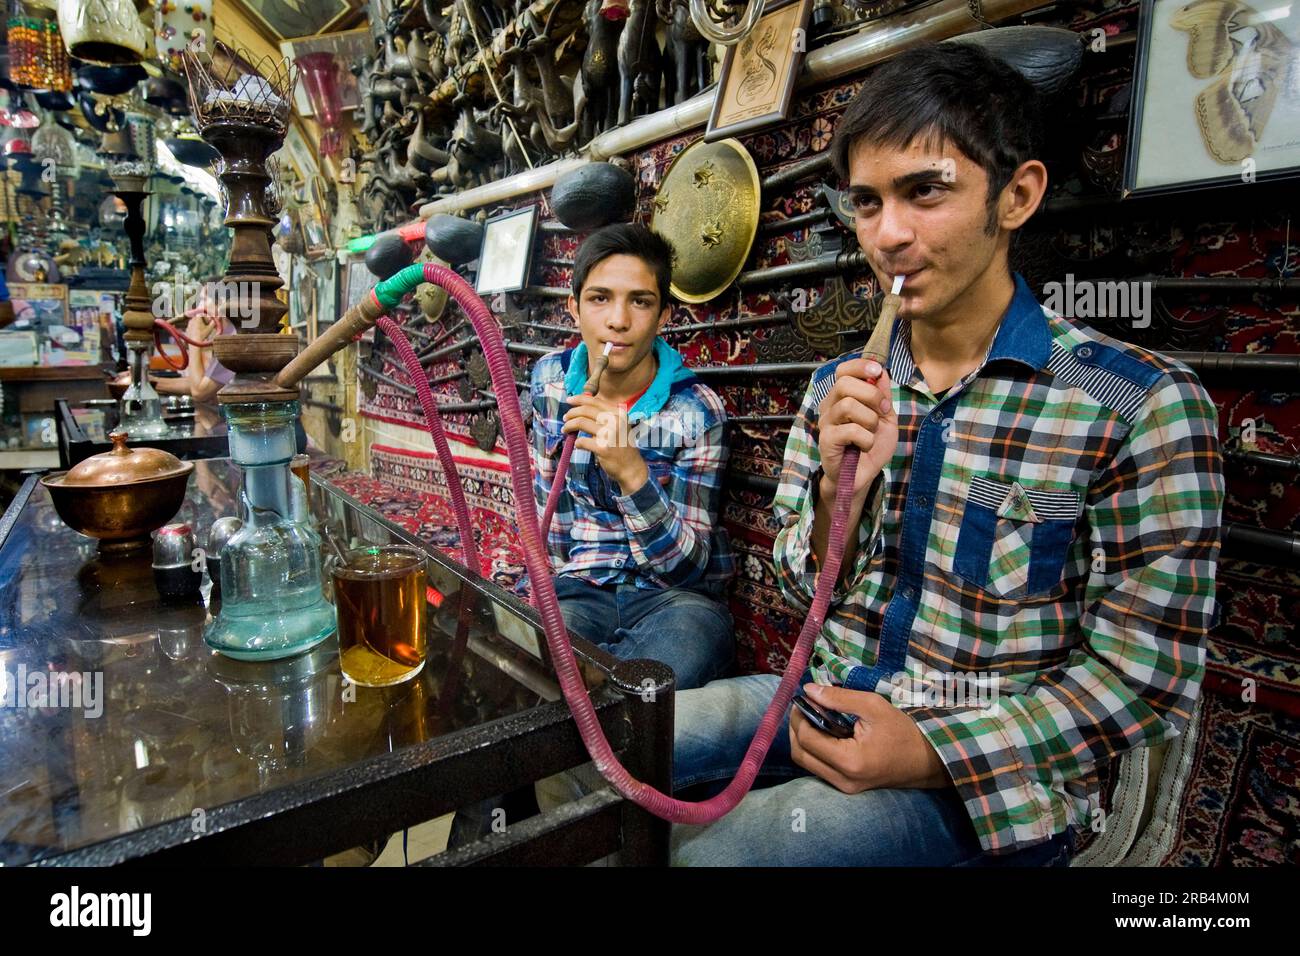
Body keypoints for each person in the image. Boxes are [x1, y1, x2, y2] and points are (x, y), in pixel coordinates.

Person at [668, 42, 1225, 866]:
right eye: (866, 203)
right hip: (824, 701)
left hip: (993, 779)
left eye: (926, 192)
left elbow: (1144, 682)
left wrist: (928, 754)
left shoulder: (1138, 404)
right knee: (618, 731)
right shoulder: (839, 386)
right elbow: (796, 589)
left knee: (725, 857)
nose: (889, 235)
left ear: (1017, 195)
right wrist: (837, 496)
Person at [528, 222, 736, 691]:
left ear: (664, 315)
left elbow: (688, 568)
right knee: (530, 661)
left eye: (640, 301)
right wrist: (547, 601)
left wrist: (632, 474)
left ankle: (603, 696)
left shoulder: (697, 410)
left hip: (676, 600)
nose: (618, 321)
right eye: (599, 298)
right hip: (582, 586)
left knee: (671, 669)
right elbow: (550, 514)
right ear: (574, 308)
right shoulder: (550, 383)